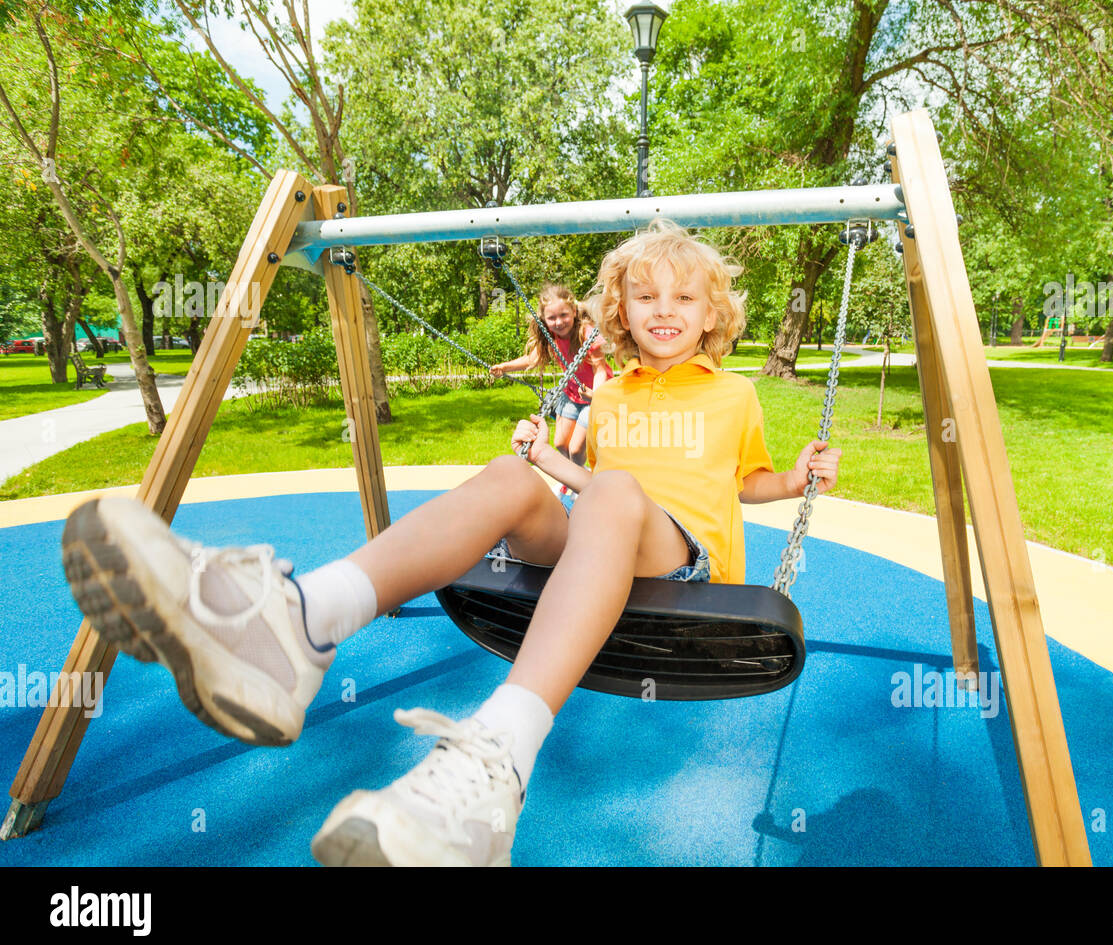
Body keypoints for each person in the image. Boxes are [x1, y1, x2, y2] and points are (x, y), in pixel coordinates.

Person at [59, 219, 842, 867]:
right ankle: (298, 623)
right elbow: (595, 479)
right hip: (603, 534)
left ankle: (500, 757)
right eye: (644, 296)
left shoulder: (734, 393)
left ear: (713, 314)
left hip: (687, 564)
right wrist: (542, 460)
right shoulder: (609, 391)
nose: (662, 308)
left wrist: (800, 475)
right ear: (621, 310)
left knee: (611, 494)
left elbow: (746, 483)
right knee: (509, 477)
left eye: (683, 296)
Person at [489, 284, 611, 465]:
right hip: (571, 395)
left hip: (594, 395)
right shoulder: (551, 336)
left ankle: (579, 484)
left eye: (563, 315)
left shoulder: (586, 333)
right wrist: (504, 367)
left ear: (574, 312)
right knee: (561, 444)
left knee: (576, 449)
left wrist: (596, 395)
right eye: (552, 318)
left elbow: (600, 369)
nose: (559, 322)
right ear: (544, 319)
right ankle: (572, 479)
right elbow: (533, 358)